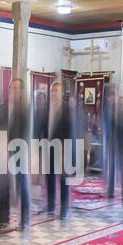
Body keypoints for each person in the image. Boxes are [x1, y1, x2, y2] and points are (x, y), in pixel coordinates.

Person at [0, 77, 32, 230]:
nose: (13, 91)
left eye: (16, 88)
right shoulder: (6, 107)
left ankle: (25, 220)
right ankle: (6, 217)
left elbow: (24, 132)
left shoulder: (25, 108)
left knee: (22, 184)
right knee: (9, 185)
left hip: (20, 149)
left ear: (21, 91)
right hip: (5, 150)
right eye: (11, 88)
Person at [45, 81, 74, 219]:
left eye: (57, 91)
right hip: (48, 148)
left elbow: (69, 132)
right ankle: (50, 205)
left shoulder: (67, 109)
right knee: (49, 177)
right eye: (53, 91)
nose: (55, 94)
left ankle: (64, 209)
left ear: (61, 93)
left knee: (63, 180)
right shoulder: (47, 109)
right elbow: (44, 129)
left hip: (63, 149)